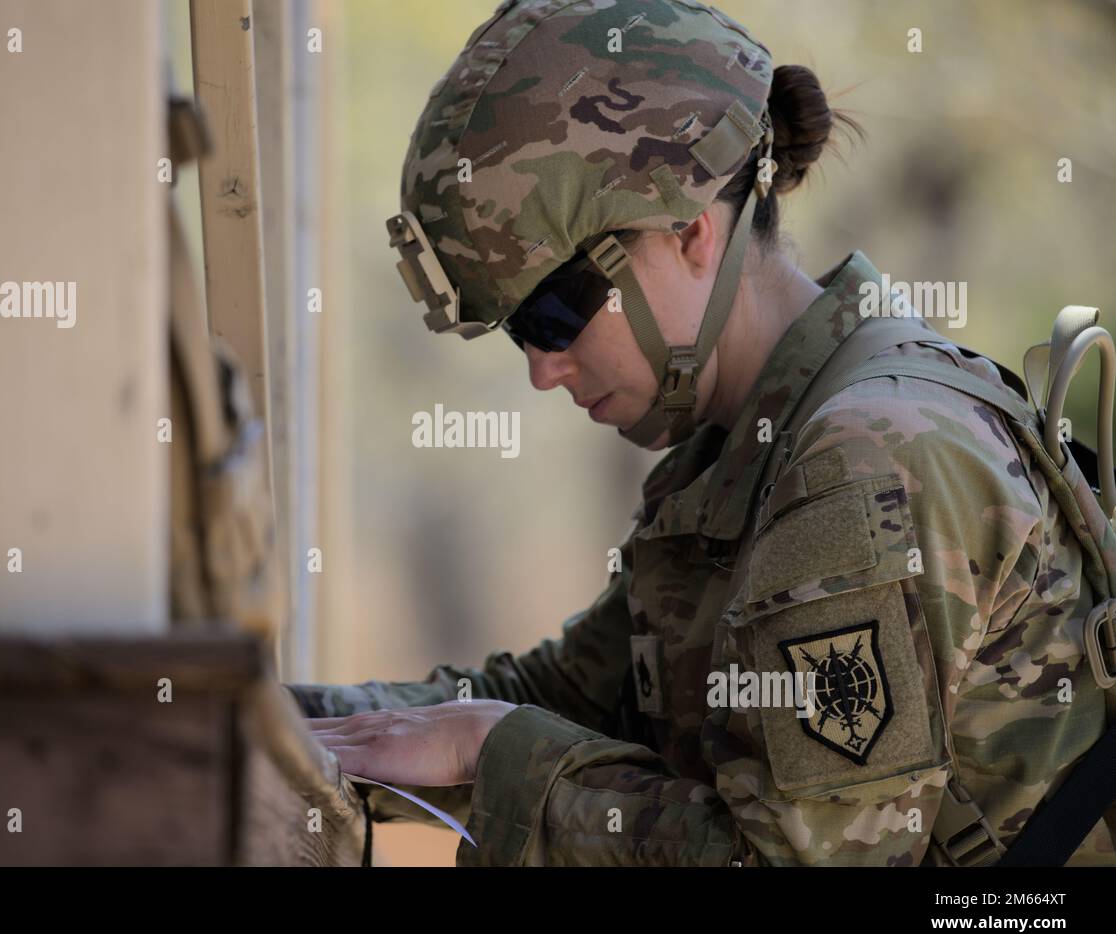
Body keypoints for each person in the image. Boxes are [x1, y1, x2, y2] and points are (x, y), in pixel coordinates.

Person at [289, 0, 1115, 866]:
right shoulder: (740, 443)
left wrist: (492, 756)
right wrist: (274, 724)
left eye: (557, 309)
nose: (542, 367)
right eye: (516, 330)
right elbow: (563, 696)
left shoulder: (865, 461)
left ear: (690, 231)